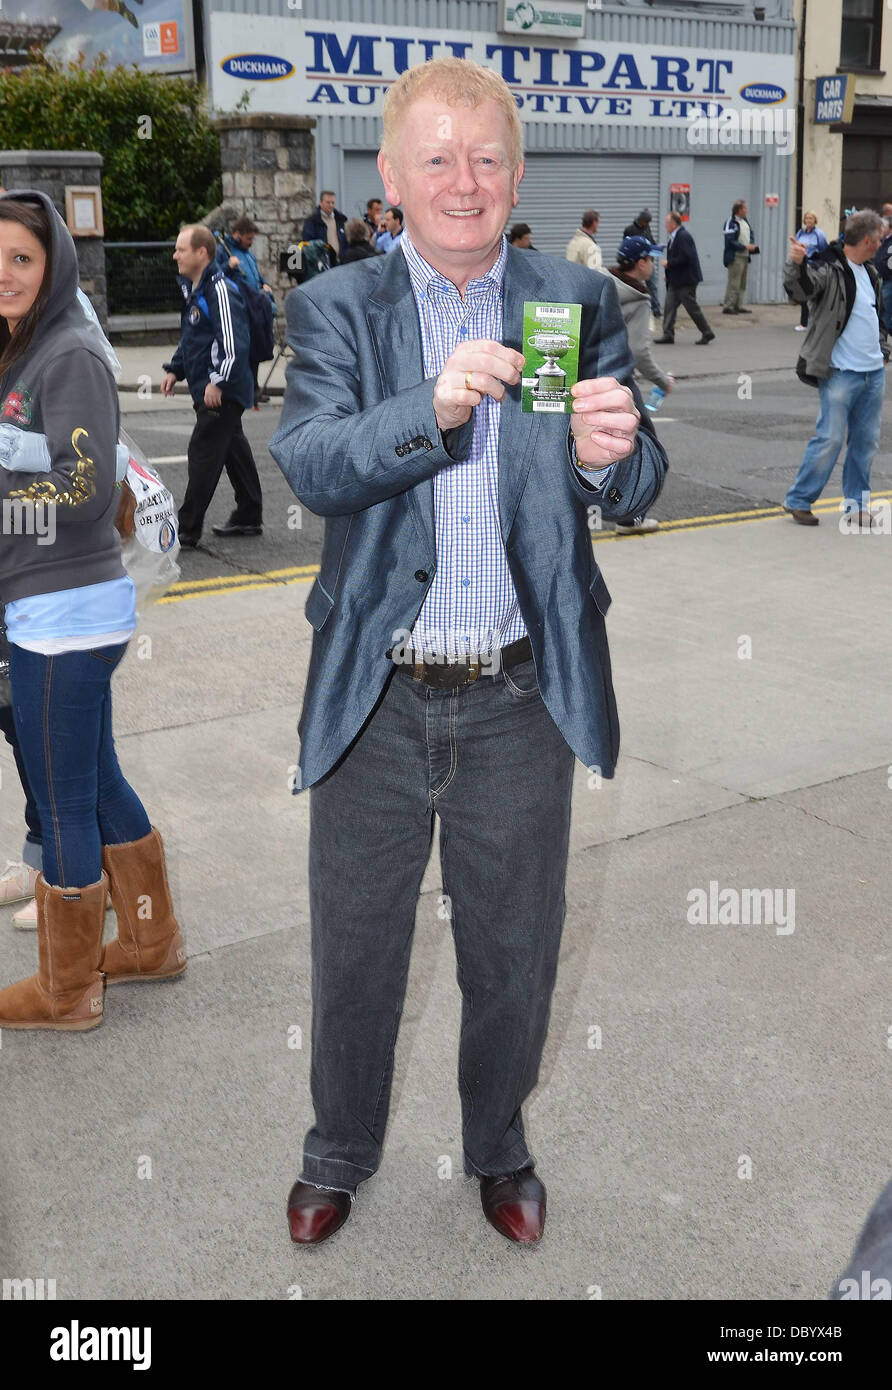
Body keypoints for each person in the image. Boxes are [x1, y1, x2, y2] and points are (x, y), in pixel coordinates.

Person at [269, 55, 668, 1248]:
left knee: (513, 949)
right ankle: (337, 1150)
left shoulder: (573, 299)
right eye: (435, 159)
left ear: (517, 171)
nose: (463, 181)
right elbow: (315, 461)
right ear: (390, 178)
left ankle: (498, 1145)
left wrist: (609, 454)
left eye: (485, 157)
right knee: (355, 952)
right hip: (377, 697)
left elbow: (638, 485)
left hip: (516, 692)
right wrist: (433, 410)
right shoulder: (339, 307)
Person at [0, 190, 186, 1032]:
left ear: (52, 267)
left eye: (21, 259)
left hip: (61, 612)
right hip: (62, 607)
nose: (5, 275)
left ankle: (67, 988)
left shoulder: (68, 351)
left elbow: (84, 491)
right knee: (97, 780)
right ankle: (150, 945)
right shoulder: (27, 346)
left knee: (61, 794)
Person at [783, 209, 887, 527]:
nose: (882, 245)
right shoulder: (829, 269)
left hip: (873, 372)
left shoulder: (870, 273)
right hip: (841, 371)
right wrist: (797, 264)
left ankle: (857, 506)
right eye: (880, 240)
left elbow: (875, 316)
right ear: (868, 241)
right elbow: (800, 291)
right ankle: (799, 500)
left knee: (865, 441)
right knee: (829, 438)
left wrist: (883, 350)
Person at [162, 225, 263, 545]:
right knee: (233, 448)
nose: (175, 255)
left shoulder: (220, 290)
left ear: (201, 253)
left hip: (221, 390)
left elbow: (235, 343)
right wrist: (176, 369)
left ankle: (186, 528)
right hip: (213, 387)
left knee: (203, 452)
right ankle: (249, 513)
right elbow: (195, 335)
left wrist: (219, 381)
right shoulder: (197, 288)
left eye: (181, 249)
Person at [604, 235, 672, 535]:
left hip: (581, 377)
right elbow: (639, 352)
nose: (654, 267)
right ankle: (629, 518)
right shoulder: (639, 298)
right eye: (652, 261)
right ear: (641, 263)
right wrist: (662, 380)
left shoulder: (601, 280)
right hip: (617, 380)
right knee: (644, 446)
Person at [215, 214, 278, 406]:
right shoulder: (223, 251)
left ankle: (254, 389)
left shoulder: (248, 254)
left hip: (256, 304)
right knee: (246, 349)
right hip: (240, 307)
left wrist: (264, 284)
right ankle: (248, 390)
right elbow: (215, 275)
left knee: (257, 347)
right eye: (248, 238)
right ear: (237, 235)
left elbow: (256, 275)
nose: (251, 242)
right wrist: (228, 265)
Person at [654, 212, 715, 346]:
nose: (665, 225)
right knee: (669, 306)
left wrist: (669, 264)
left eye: (667, 223)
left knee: (691, 308)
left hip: (686, 281)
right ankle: (668, 334)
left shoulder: (683, 236)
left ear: (673, 224)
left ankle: (707, 332)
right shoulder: (674, 237)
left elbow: (687, 257)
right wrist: (669, 273)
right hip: (676, 280)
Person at [792, 211, 828, 330]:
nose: (808, 220)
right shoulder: (800, 232)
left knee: (814, 294)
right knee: (803, 294)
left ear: (815, 220)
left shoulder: (819, 234)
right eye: (807, 218)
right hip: (802, 266)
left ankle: (816, 321)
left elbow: (824, 250)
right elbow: (796, 246)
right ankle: (804, 322)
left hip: (814, 266)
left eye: (811, 218)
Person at [722, 199, 758, 314]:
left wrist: (751, 244)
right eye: (744, 208)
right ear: (738, 210)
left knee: (742, 282)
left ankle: (739, 304)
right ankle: (728, 306)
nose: (746, 210)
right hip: (735, 256)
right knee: (734, 282)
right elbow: (730, 240)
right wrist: (744, 246)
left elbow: (750, 233)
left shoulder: (745, 221)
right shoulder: (731, 222)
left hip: (745, 256)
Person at [623, 210, 660, 316]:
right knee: (633, 286)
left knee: (653, 286)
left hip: (648, 262)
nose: (647, 224)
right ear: (642, 220)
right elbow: (626, 246)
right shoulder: (630, 230)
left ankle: (656, 310)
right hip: (635, 264)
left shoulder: (647, 228)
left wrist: (655, 247)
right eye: (646, 222)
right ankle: (634, 308)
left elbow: (651, 241)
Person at [301, 191, 347, 262]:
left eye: (333, 203)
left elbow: (345, 241)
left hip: (340, 262)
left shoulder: (340, 220)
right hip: (322, 263)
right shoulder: (312, 221)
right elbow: (308, 244)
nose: (331, 205)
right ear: (321, 203)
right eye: (328, 202)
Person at [872, 216, 892, 332]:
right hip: (881, 280)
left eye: (883, 227)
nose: (880, 229)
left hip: (888, 281)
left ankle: (883, 344)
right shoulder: (884, 241)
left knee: (884, 314)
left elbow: (889, 264)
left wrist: (878, 270)